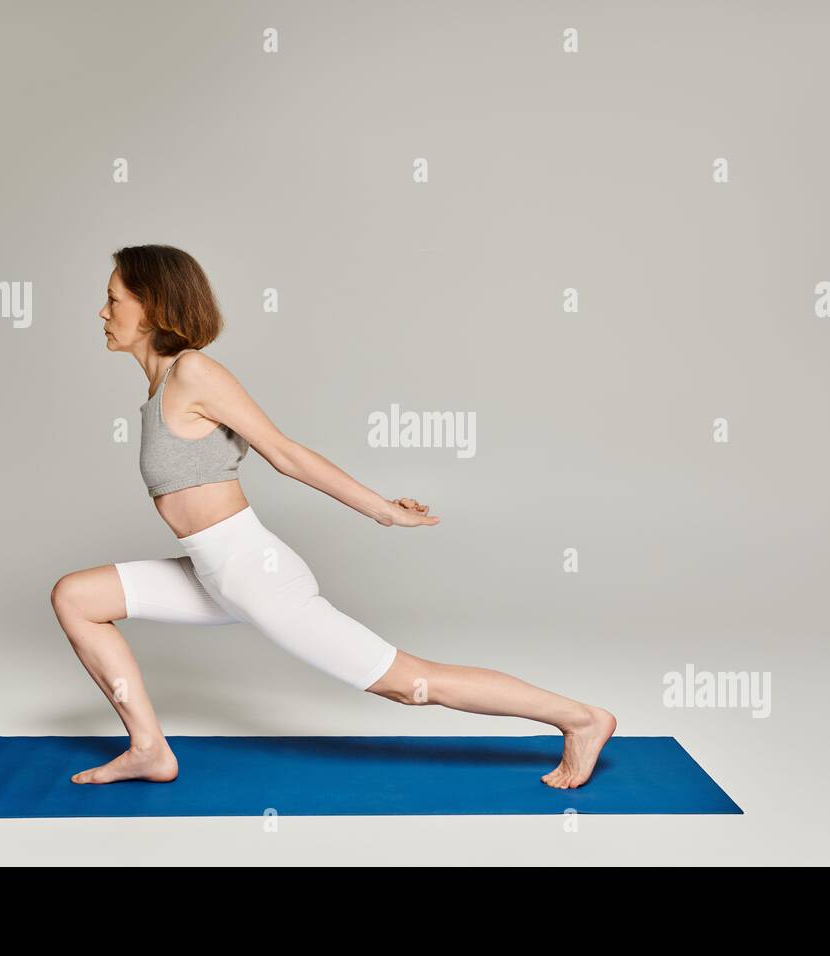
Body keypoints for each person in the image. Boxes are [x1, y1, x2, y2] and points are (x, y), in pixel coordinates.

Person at [50, 244, 616, 790]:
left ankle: (579, 717)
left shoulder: (194, 372)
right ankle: (149, 749)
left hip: (253, 573)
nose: (103, 312)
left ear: (153, 305)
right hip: (212, 573)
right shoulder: (158, 388)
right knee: (76, 597)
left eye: (114, 299)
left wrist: (383, 511)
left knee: (407, 683)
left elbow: (285, 453)